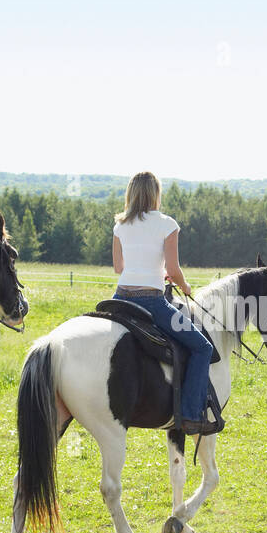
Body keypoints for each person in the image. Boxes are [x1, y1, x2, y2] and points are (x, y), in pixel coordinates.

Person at [111, 171, 220, 435]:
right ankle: (192, 415)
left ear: (131, 194)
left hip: (119, 298)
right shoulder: (167, 224)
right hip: (152, 303)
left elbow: (118, 267)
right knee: (202, 347)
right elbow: (173, 267)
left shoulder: (120, 224)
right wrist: (184, 285)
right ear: (156, 194)